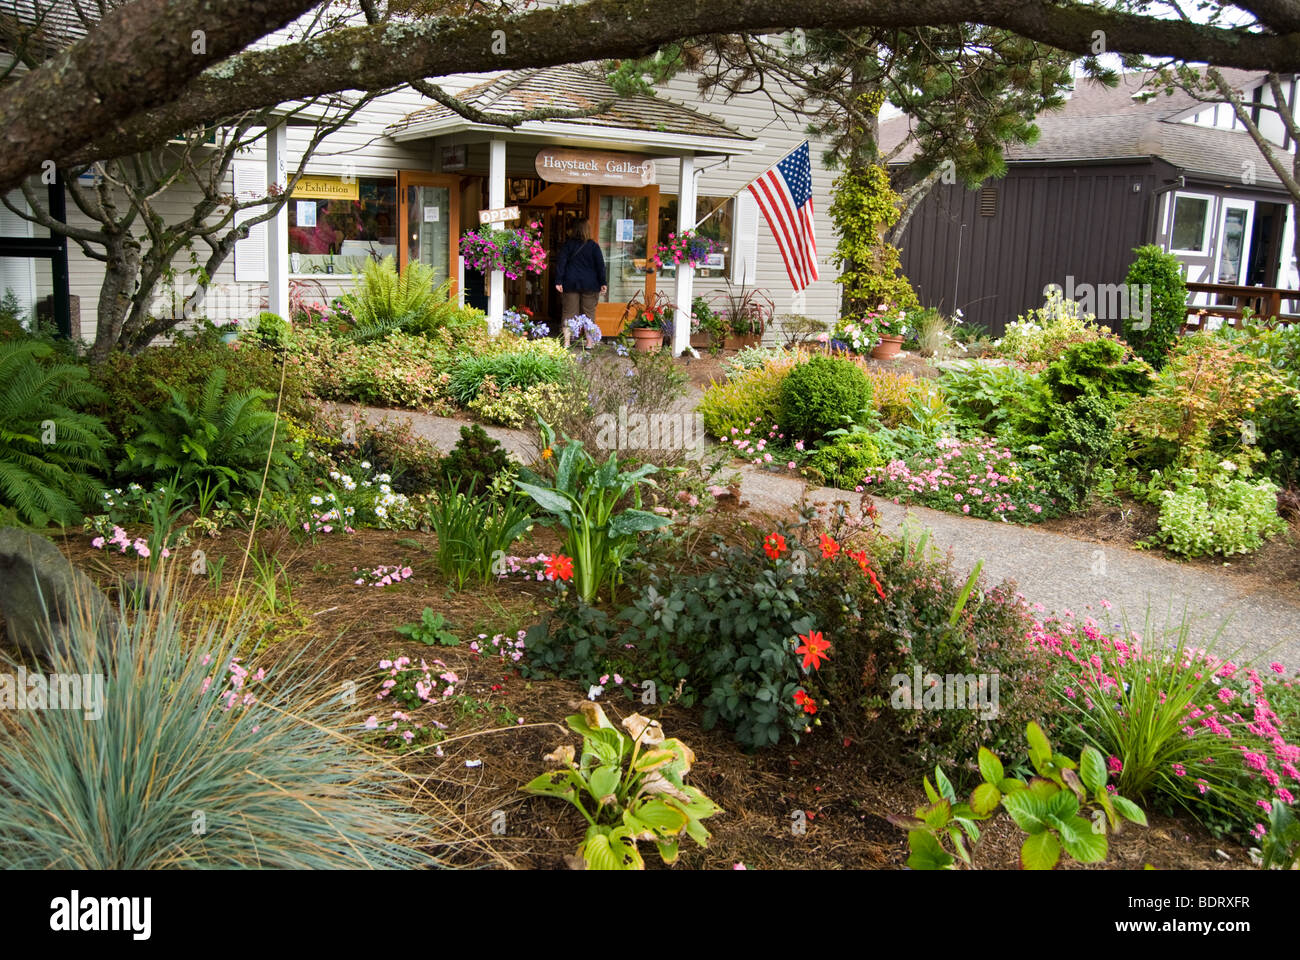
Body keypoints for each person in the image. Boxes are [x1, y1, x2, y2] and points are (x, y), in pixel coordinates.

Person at [555, 220, 607, 345]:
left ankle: (567, 342)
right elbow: (600, 266)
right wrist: (603, 282)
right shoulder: (593, 246)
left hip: (570, 283)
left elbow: (561, 263)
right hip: (590, 284)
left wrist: (559, 281)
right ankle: (589, 343)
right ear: (588, 230)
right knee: (589, 313)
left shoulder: (567, 245)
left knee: (568, 313)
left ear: (574, 230)